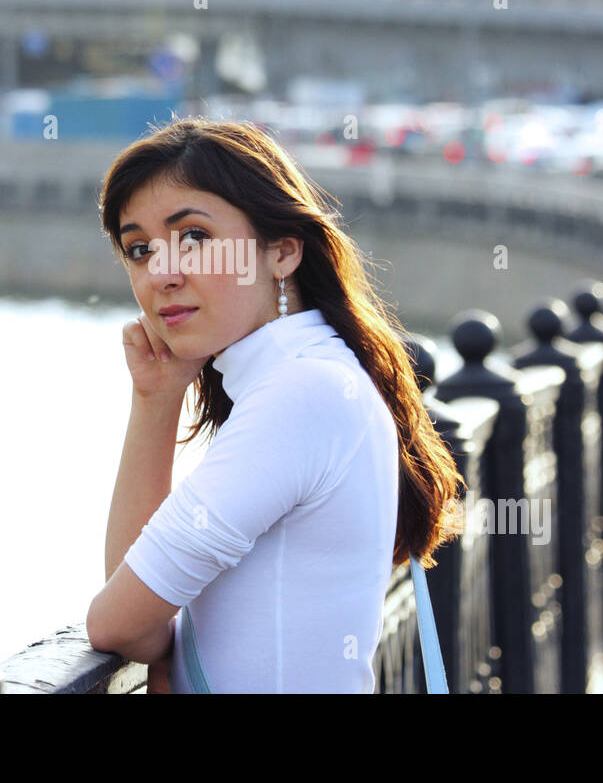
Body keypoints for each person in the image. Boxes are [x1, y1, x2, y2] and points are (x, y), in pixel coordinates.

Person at [85, 118, 465, 693]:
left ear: (282, 252)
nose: (161, 274)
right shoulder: (313, 379)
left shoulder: (302, 396)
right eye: (139, 249)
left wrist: (148, 637)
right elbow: (133, 605)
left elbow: (117, 622)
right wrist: (156, 400)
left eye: (193, 237)